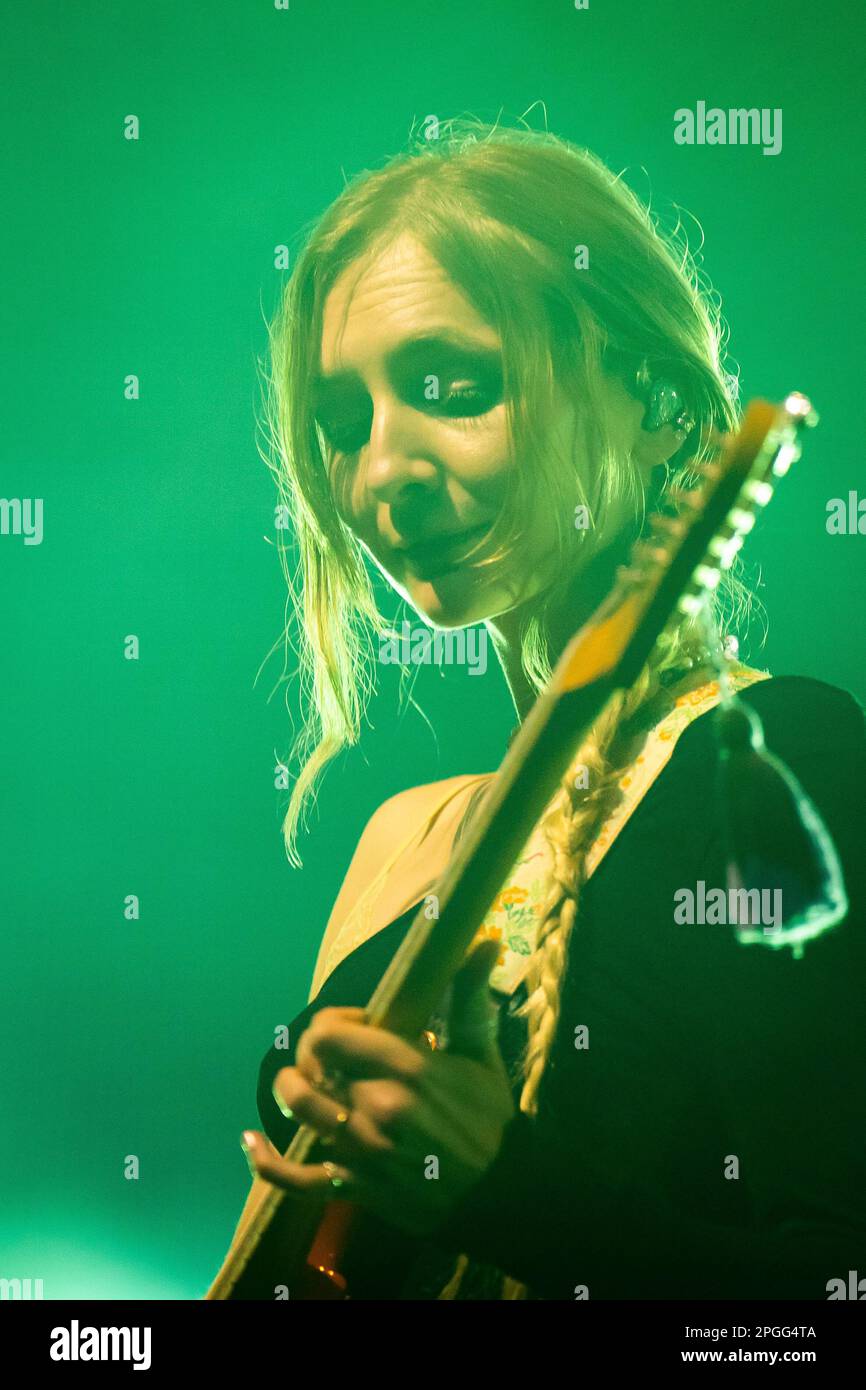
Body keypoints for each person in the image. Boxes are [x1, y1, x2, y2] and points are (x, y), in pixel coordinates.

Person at [225, 119, 866, 1299]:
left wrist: (503, 1189)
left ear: (661, 406)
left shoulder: (793, 764)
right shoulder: (398, 841)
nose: (380, 472)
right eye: (341, 421)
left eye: (450, 387)